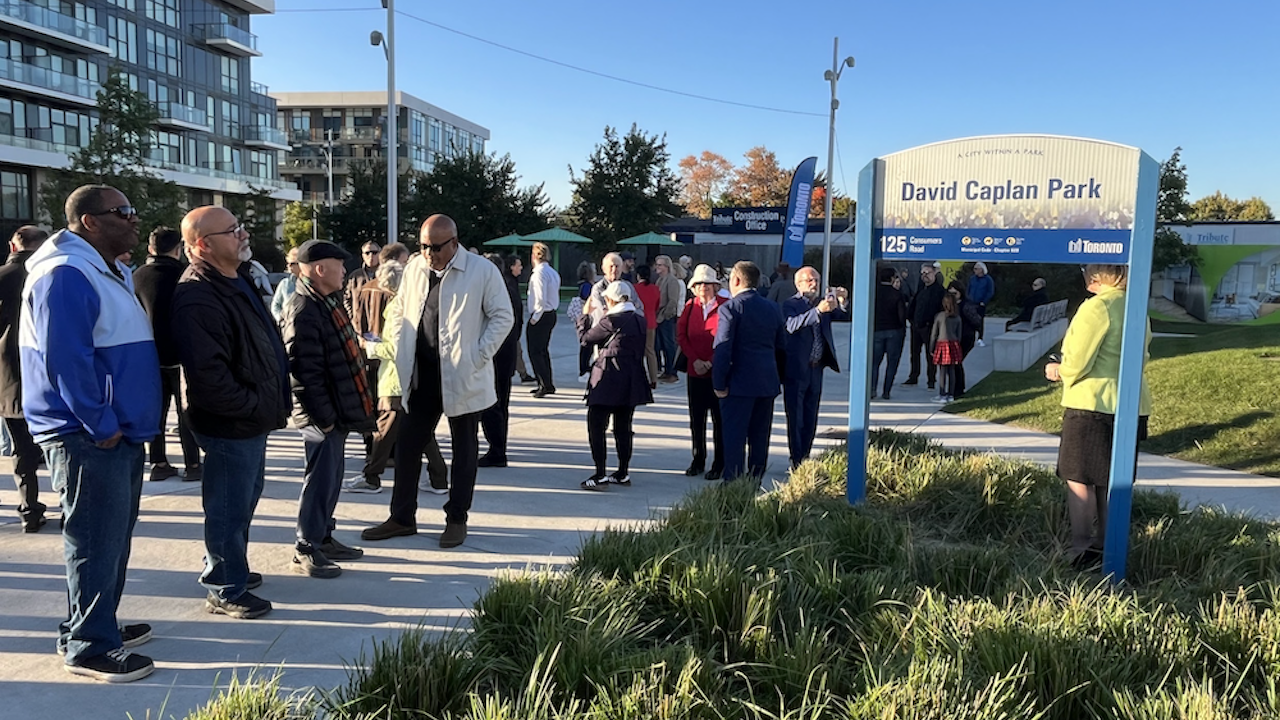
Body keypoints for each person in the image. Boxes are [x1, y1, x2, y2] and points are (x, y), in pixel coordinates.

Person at [21, 184, 161, 682]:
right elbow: (66, 358)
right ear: (89, 222)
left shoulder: (104, 266)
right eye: (122, 212)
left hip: (113, 428)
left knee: (110, 536)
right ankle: (89, 646)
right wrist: (99, 422)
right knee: (95, 538)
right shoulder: (65, 272)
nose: (134, 219)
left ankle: (92, 623)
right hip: (87, 432)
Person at [361, 215, 513, 549]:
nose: (430, 253)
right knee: (408, 446)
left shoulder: (481, 271)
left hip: (463, 376)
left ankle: (457, 519)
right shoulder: (415, 268)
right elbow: (400, 309)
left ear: (454, 243)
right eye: (424, 246)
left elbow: (504, 316)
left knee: (464, 450)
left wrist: (477, 355)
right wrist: (400, 352)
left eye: (437, 247)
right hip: (423, 376)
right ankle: (402, 517)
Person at [172, 205, 290, 620]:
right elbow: (209, 376)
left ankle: (232, 567)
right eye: (232, 230)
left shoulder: (233, 279)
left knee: (243, 500)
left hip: (250, 419)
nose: (242, 235)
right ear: (202, 245)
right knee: (227, 505)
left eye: (240, 226)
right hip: (230, 422)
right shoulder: (197, 295)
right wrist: (254, 406)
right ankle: (224, 584)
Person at [1044, 264, 1151, 569]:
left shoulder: (1096, 307)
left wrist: (1057, 370)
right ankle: (1107, 545)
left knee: (1078, 478)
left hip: (1092, 403)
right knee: (1110, 481)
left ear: (1094, 275)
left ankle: (1080, 548)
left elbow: (1077, 361)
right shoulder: (1135, 306)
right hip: (1129, 403)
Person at [281, 239, 376, 579]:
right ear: (320, 269)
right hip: (321, 416)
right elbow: (302, 372)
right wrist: (324, 418)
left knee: (331, 476)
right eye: (339, 265)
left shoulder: (325, 303)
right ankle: (307, 546)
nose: (345, 272)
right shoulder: (304, 309)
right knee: (319, 479)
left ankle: (323, 536)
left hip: (334, 412)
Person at [133, 226, 202, 483]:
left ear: (150, 248)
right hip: (182, 354)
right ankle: (193, 463)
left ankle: (159, 462)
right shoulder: (185, 275)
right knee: (186, 411)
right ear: (177, 249)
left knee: (157, 413)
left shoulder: (136, 276)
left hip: (150, 356)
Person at [713, 261, 786, 484]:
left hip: (738, 383)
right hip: (766, 382)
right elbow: (782, 347)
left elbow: (723, 347)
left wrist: (719, 383)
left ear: (736, 280)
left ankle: (733, 486)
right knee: (760, 437)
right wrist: (777, 378)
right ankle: (755, 482)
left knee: (734, 438)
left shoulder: (730, 308)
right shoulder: (773, 308)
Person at [576, 280, 651, 489]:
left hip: (608, 379)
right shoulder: (639, 320)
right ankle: (622, 472)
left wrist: (584, 317)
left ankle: (600, 474)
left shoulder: (610, 321)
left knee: (597, 424)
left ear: (610, 299)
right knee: (623, 427)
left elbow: (585, 339)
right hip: (632, 379)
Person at [0, 225, 48, 532]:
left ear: (13, 245)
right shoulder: (49, 276)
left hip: (8, 373)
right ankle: (70, 502)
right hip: (45, 371)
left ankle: (29, 507)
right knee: (56, 443)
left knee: (20, 447)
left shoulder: (3, 276)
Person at [781, 266, 848, 469]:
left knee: (811, 414)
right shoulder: (790, 304)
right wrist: (818, 311)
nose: (814, 284)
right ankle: (796, 457)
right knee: (796, 415)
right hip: (796, 368)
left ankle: (806, 455)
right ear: (798, 283)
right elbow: (791, 325)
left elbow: (844, 316)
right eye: (809, 280)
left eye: (817, 280)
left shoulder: (824, 303)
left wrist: (842, 301)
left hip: (816, 367)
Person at [676, 264, 727, 480]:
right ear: (693, 288)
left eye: (707, 284)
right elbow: (681, 336)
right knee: (697, 419)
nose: (703, 288)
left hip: (718, 372)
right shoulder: (690, 307)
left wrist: (711, 361)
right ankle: (698, 460)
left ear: (715, 286)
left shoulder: (726, 306)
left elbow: (728, 338)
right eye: (699, 284)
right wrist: (695, 359)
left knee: (719, 420)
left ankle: (720, 463)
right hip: (695, 371)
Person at [479, 253, 523, 467]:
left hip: (495, 353)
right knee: (501, 402)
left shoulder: (495, 290)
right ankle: (499, 447)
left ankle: (497, 450)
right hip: (507, 352)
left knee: (491, 403)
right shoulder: (511, 287)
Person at [526, 241, 560, 398]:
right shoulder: (552, 272)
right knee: (543, 350)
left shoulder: (539, 274)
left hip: (541, 314)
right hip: (551, 312)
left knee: (535, 351)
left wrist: (535, 318)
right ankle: (547, 382)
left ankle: (543, 383)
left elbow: (540, 298)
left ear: (534, 256)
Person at [904, 262, 945, 390]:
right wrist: (910, 318)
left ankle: (931, 379)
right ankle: (913, 376)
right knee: (914, 353)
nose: (925, 276)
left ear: (934, 274)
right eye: (923, 273)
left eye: (928, 273)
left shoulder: (939, 291)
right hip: (916, 326)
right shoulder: (920, 289)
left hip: (930, 328)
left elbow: (941, 310)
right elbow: (914, 305)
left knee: (930, 354)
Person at [871, 267, 907, 401]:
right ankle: (886, 391)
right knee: (892, 363)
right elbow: (902, 315)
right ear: (892, 278)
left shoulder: (873, 292)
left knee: (874, 363)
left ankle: (872, 389)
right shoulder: (897, 294)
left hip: (877, 330)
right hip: (894, 330)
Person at [946, 281, 984, 399]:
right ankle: (955, 388)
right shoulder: (949, 305)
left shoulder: (966, 305)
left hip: (965, 338)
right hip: (953, 338)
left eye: (955, 293)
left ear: (960, 293)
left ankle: (958, 389)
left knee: (956, 362)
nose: (952, 296)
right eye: (950, 293)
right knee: (953, 364)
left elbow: (977, 321)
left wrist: (979, 334)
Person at [652, 254, 683, 383]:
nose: (657, 267)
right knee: (660, 345)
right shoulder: (659, 280)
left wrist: (665, 316)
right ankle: (666, 370)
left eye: (660, 265)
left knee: (669, 345)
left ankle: (672, 372)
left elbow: (673, 301)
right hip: (658, 317)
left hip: (666, 318)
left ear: (666, 266)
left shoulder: (672, 281)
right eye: (657, 264)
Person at [929, 294, 963, 403]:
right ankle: (951, 394)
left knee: (942, 370)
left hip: (941, 343)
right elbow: (959, 335)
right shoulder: (958, 317)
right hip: (954, 343)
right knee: (951, 370)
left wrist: (931, 347)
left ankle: (942, 394)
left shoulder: (940, 316)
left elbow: (934, 334)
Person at [633, 264, 660, 387]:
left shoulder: (634, 288)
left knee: (637, 350)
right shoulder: (655, 288)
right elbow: (657, 305)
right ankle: (653, 379)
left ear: (638, 275)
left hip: (638, 321)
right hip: (651, 321)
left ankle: (639, 377)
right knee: (650, 350)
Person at [343, 240, 381, 317]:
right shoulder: (355, 276)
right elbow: (347, 299)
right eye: (367, 253)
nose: (371, 256)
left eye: (374, 252)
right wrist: (352, 317)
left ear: (380, 254)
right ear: (363, 256)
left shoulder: (385, 275)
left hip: (379, 322)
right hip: (360, 324)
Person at [573, 260, 596, 377]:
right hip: (587, 316)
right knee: (587, 344)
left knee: (585, 343)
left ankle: (584, 366)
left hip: (581, 316)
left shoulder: (581, 284)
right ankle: (584, 367)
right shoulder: (588, 286)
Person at [967, 262, 994, 346]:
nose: (974, 270)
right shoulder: (972, 279)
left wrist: (984, 301)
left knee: (979, 321)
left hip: (980, 303)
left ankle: (980, 338)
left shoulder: (988, 279)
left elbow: (990, 291)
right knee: (970, 320)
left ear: (981, 269)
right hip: (971, 303)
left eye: (976, 268)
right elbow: (968, 289)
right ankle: (971, 337)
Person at [270, 247, 300, 322]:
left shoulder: (312, 283)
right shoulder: (285, 284)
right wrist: (280, 319)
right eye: (288, 263)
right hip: (287, 327)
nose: (288, 266)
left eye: (292, 263)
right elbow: (275, 305)